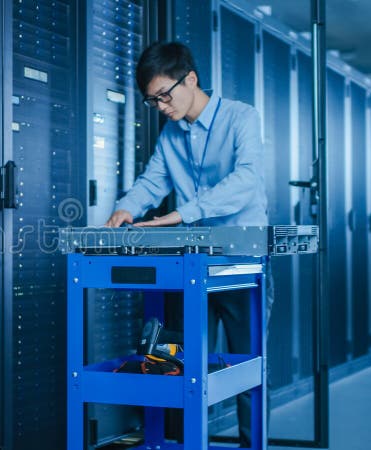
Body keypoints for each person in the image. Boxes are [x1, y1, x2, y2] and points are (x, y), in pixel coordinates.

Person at [105, 41, 272, 447]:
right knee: (173, 360)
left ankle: (253, 445)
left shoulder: (240, 118)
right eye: (153, 100)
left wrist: (184, 213)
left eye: (166, 95)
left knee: (247, 366)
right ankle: (178, 443)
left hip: (240, 263)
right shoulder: (171, 134)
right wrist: (124, 210)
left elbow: (247, 179)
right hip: (192, 265)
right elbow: (153, 180)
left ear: (191, 78)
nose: (162, 105)